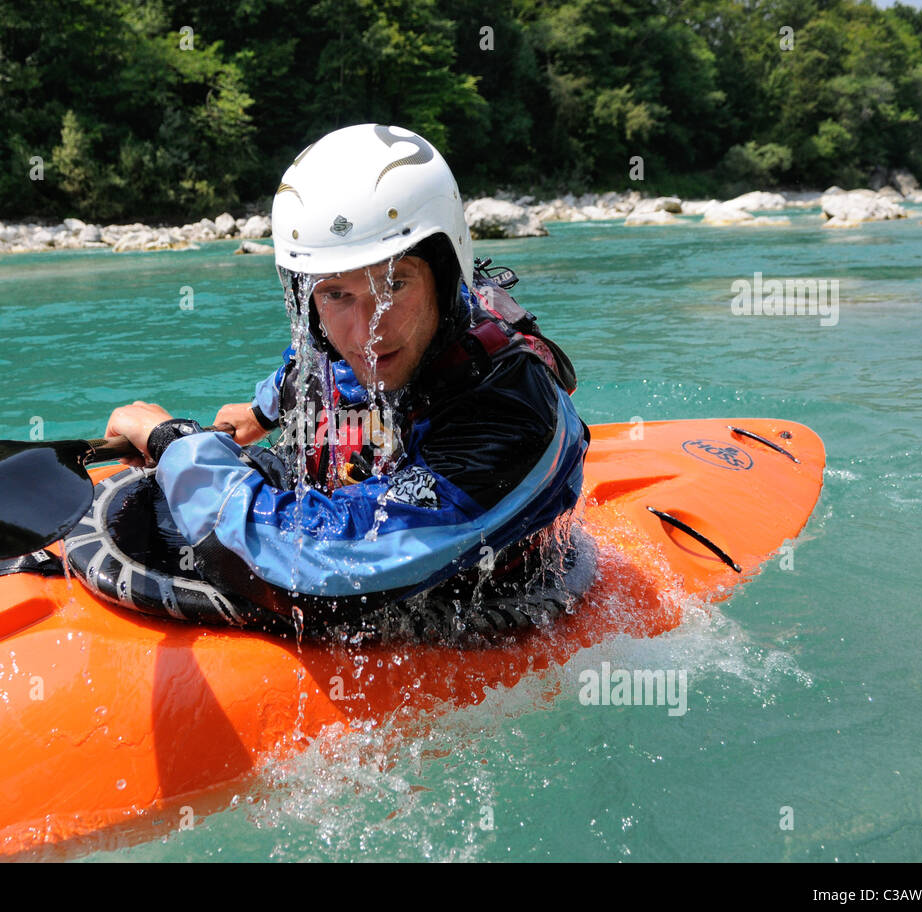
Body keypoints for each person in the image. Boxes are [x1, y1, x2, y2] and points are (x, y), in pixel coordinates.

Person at [103, 123, 589, 635]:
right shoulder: (359, 334)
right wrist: (260, 413)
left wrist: (174, 442)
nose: (366, 335)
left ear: (447, 273)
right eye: (335, 294)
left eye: (394, 284)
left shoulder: (510, 415)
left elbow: (314, 572)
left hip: (484, 597)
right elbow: (314, 363)